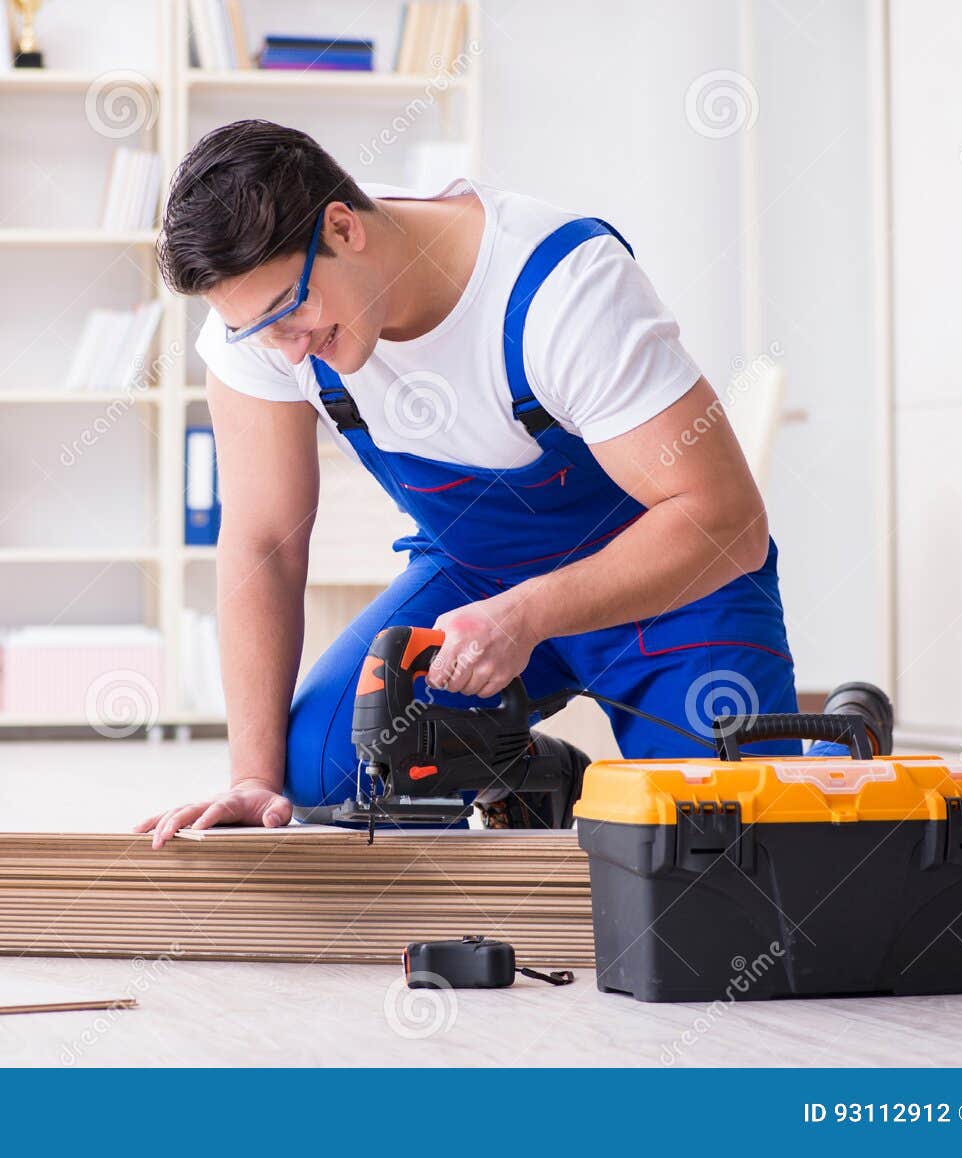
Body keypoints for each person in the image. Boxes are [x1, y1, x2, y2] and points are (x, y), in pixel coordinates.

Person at [137, 120, 803, 849]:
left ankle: (828, 762)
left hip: (671, 583)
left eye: (290, 313)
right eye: (256, 330)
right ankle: (531, 776)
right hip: (476, 583)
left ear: (342, 227)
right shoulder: (269, 325)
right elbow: (264, 539)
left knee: (726, 845)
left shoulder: (562, 291)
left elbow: (727, 523)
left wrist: (526, 617)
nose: (286, 347)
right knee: (329, 776)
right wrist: (251, 781)